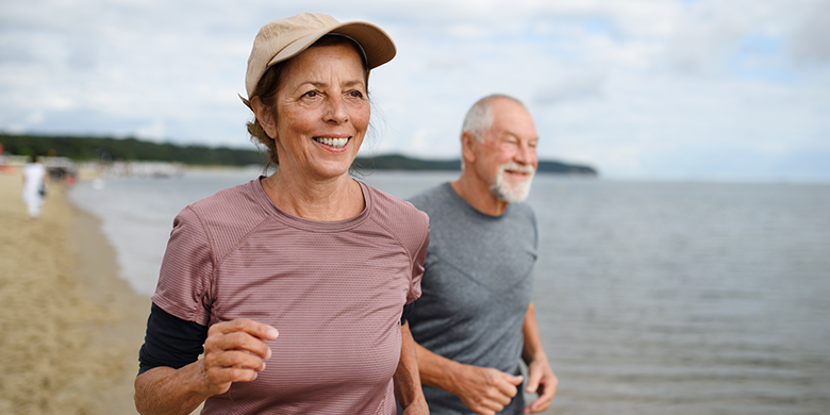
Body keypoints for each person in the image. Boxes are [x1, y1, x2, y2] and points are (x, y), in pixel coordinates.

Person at [134, 13, 430, 415]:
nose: (339, 114)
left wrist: (414, 402)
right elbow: (149, 398)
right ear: (267, 115)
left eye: (353, 93)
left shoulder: (406, 227)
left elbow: (396, 321)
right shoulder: (206, 231)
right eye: (312, 93)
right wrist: (201, 376)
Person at [406, 94, 558, 415]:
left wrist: (538, 357)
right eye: (511, 142)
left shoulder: (525, 218)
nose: (526, 157)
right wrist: (456, 378)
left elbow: (517, 299)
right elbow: (373, 334)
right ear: (469, 146)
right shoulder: (414, 221)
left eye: (532, 145)